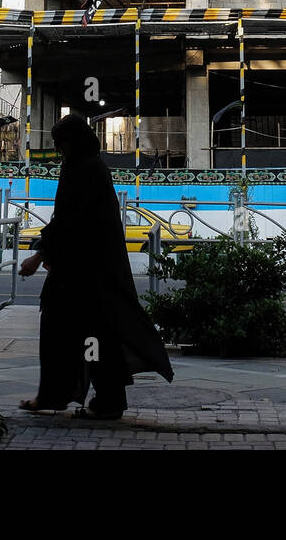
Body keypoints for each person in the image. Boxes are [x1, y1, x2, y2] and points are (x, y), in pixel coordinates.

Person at [18, 114, 173, 419]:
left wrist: (39, 255)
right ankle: (100, 399)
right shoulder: (90, 166)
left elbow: (70, 221)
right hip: (92, 271)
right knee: (95, 334)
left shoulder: (81, 169)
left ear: (71, 142)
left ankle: (67, 396)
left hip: (83, 273)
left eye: (60, 142)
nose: (58, 148)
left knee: (65, 331)